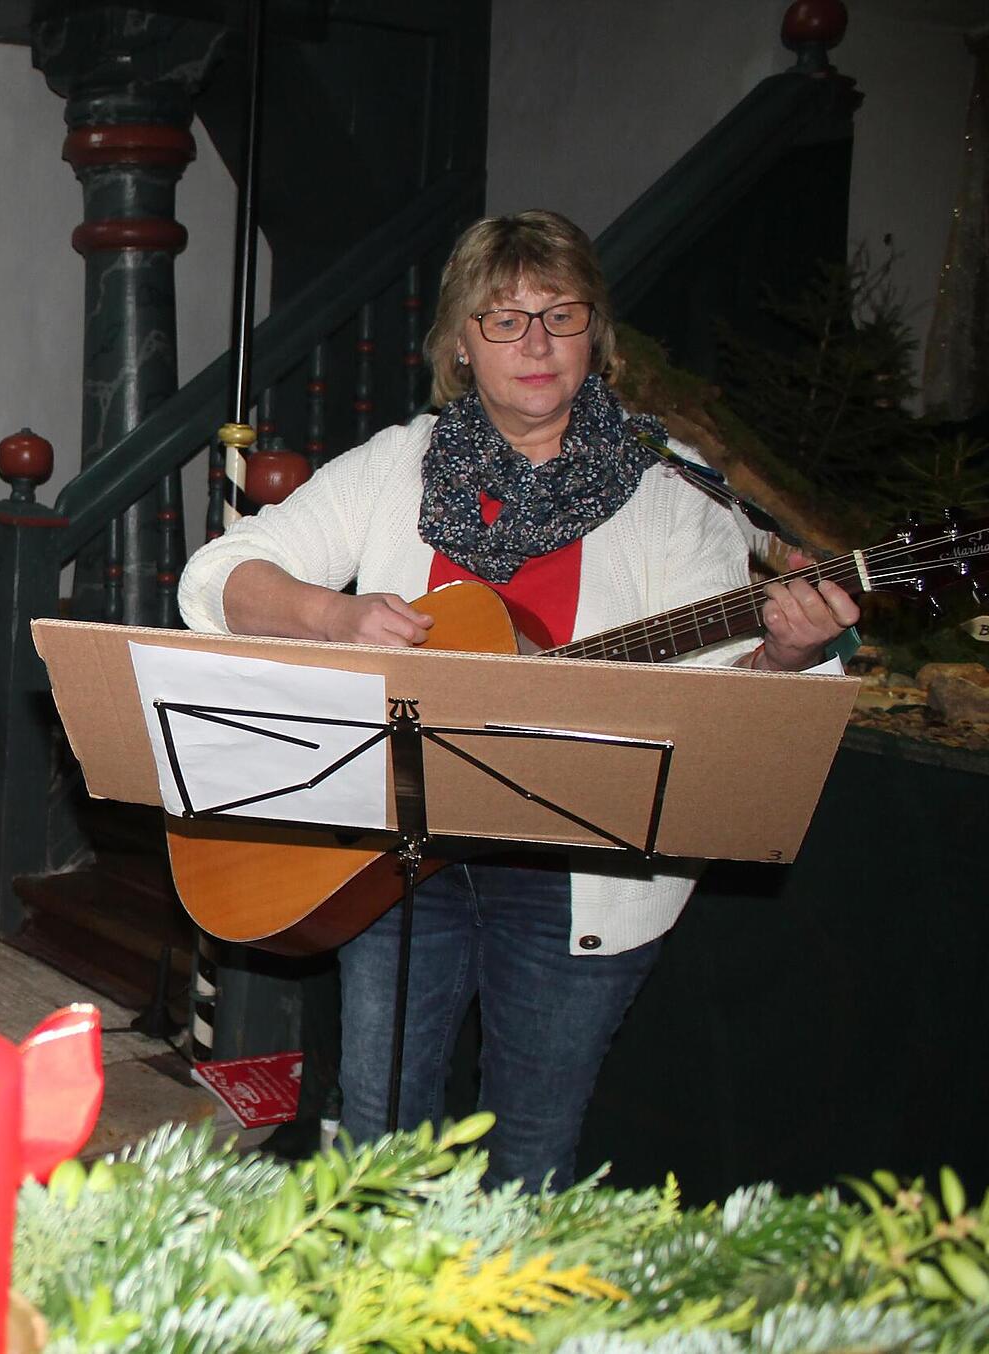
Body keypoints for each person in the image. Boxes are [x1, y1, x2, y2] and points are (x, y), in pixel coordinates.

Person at [176, 210, 856, 1189]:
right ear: (460, 343)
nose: (533, 342)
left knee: (530, 1160)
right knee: (377, 1146)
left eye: (558, 313)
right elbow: (220, 575)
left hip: (578, 872)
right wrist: (328, 613)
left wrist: (783, 658)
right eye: (502, 318)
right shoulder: (396, 466)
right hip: (397, 850)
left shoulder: (673, 495)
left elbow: (720, 714)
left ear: (595, 335)